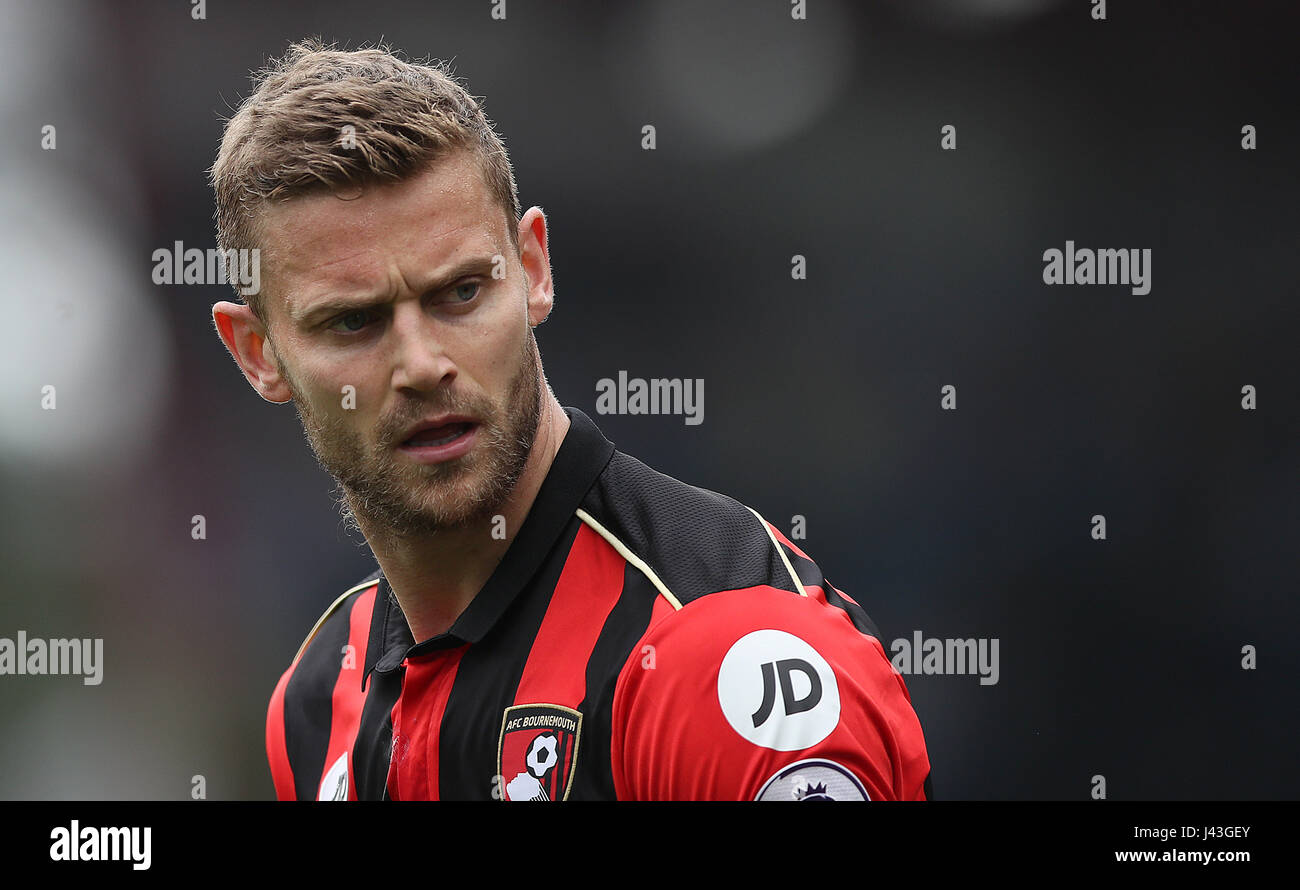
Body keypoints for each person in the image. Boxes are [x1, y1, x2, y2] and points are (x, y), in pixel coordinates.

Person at [210, 39, 932, 801]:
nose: (421, 365)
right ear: (258, 352)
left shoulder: (723, 658)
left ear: (532, 270)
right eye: (353, 323)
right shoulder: (320, 698)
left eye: (460, 294)